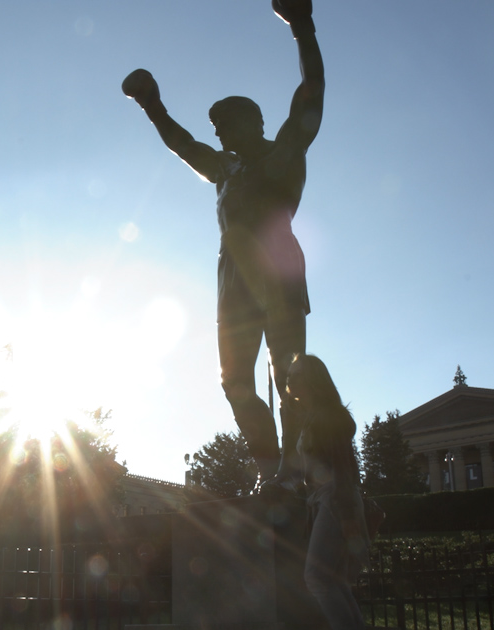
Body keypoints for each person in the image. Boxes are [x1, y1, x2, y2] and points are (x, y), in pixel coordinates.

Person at [123, 0, 323, 487]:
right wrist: (153, 106)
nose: (218, 134)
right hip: (232, 282)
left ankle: (296, 469)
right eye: (216, 130)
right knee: (234, 382)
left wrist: (301, 25)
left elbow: (312, 89)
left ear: (252, 121)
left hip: (278, 271)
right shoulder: (223, 169)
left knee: (288, 375)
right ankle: (270, 466)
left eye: (225, 125)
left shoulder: (285, 149)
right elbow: (183, 143)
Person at [284, 353, 375, 630]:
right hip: (324, 499)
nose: (289, 380)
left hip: (337, 498)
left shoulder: (328, 417)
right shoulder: (312, 418)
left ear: (312, 380)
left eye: (295, 374)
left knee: (317, 577)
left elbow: (343, 469)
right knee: (334, 580)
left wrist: (349, 515)